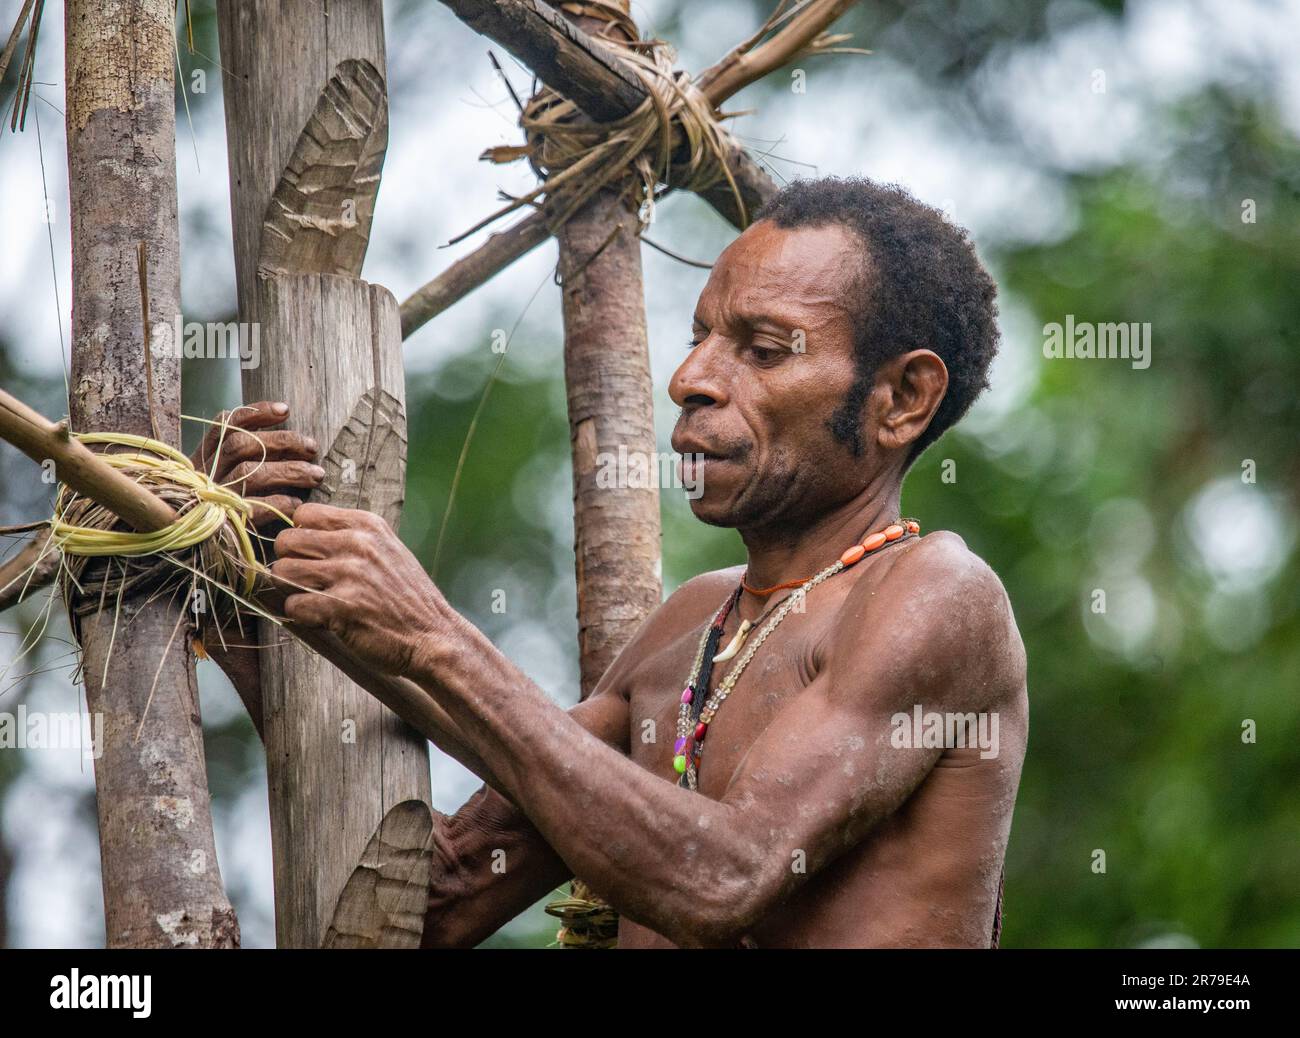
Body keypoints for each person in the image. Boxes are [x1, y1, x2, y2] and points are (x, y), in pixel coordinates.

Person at [207, 176, 1028, 948]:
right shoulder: (689, 628)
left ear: (903, 399)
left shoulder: (935, 595)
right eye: (700, 338)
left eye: (765, 350)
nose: (690, 379)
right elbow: (434, 905)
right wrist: (233, 573)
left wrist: (433, 637)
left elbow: (724, 877)